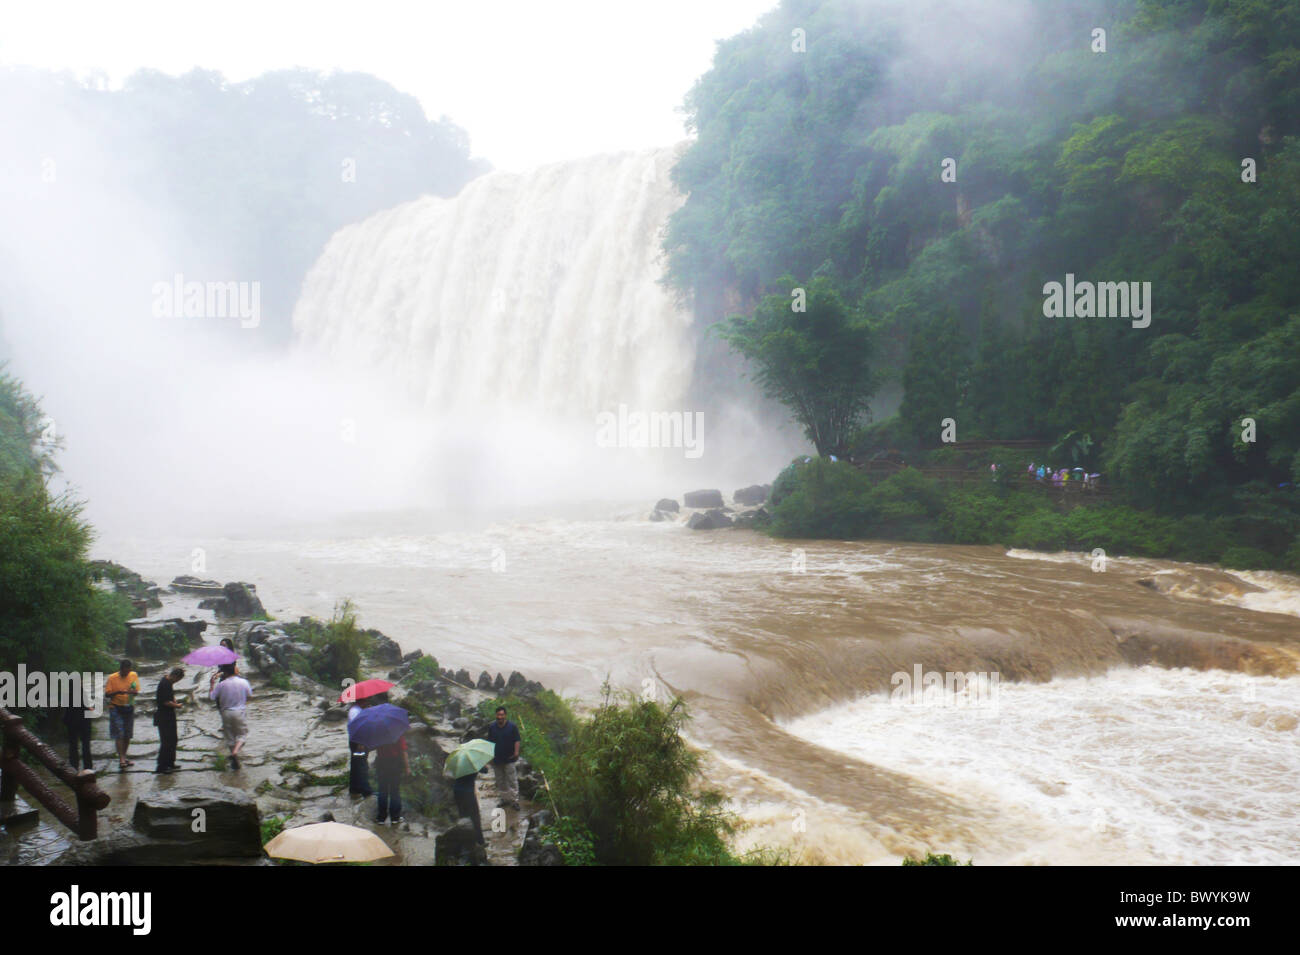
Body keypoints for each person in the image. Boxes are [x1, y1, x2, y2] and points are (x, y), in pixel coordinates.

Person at [209, 663, 253, 770]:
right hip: (239, 712)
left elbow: (211, 697)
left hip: (225, 713)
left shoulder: (221, 684)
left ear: (225, 673)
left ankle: (234, 760)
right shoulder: (243, 682)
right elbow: (250, 695)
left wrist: (211, 685)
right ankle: (235, 752)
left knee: (230, 737)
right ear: (235, 671)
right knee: (242, 735)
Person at [105, 660, 139, 770]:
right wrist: (118, 692)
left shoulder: (133, 675)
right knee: (119, 733)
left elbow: (136, 690)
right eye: (125, 671)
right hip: (116, 707)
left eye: (128, 671)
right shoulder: (112, 677)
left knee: (128, 734)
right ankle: (121, 759)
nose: (127, 673)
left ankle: (124, 756)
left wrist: (132, 692)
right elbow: (107, 694)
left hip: (129, 706)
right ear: (121, 669)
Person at [486, 706, 521, 810]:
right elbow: (489, 742)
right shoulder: (492, 727)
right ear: (496, 715)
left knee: (512, 780)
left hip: (509, 758)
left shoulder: (512, 726)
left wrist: (516, 752)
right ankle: (505, 799)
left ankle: (514, 801)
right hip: (497, 759)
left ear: (505, 715)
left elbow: (517, 740)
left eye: (502, 715)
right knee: (500, 780)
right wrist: (490, 755)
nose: (500, 717)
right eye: (498, 715)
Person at [373, 729, 410, 825]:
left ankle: (381, 818)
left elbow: (372, 746)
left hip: (381, 763)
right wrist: (407, 767)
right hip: (395, 764)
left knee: (382, 790)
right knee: (395, 791)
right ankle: (395, 817)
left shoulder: (377, 732)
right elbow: (403, 751)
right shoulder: (397, 733)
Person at [154, 667, 185, 774]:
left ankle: (170, 763)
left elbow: (170, 697)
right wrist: (177, 705)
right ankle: (161, 766)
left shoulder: (168, 682)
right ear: (175, 676)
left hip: (169, 715)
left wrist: (174, 701)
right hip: (164, 716)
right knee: (166, 741)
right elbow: (165, 702)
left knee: (173, 739)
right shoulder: (165, 684)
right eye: (178, 680)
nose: (177, 682)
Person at [62, 674, 93, 771]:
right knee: (85, 745)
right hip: (84, 722)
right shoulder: (82, 692)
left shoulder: (67, 693)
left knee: (73, 745)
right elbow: (88, 707)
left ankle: (74, 766)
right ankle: (88, 767)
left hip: (71, 722)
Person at [347, 698, 373, 798]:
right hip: (358, 743)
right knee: (361, 765)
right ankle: (366, 790)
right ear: (361, 701)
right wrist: (360, 743)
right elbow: (357, 727)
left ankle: (355, 790)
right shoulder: (354, 711)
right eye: (366, 701)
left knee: (357, 764)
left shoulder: (359, 710)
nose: (367, 702)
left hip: (360, 741)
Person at [452, 769, 486, 845]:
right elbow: (485, 770)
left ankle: (465, 841)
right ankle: (480, 841)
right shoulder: (473, 765)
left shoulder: (459, 766)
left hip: (457, 790)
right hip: (468, 792)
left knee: (463, 816)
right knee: (475, 817)